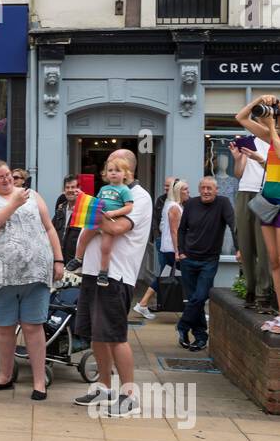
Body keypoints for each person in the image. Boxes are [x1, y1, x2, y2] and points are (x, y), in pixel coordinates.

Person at [72, 148, 153, 417]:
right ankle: (104, 388)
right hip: (92, 273)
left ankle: (129, 396)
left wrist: (90, 214)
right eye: (108, 166)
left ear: (129, 169)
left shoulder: (139, 198)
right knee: (96, 334)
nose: (110, 169)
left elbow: (116, 228)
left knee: (116, 336)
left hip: (116, 277)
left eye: (115, 165)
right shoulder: (106, 194)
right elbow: (91, 224)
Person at [0, 159, 64, 401]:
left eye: (8, 175)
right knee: (4, 328)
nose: (6, 180)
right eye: (0, 177)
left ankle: (38, 382)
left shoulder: (32, 195)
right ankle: (4, 376)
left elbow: (49, 228)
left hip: (35, 273)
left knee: (33, 327)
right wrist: (12, 205)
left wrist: (58, 259)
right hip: (1, 275)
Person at [175, 177, 239, 350]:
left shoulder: (223, 203)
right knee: (194, 300)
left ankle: (182, 326)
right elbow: (182, 229)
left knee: (200, 296)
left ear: (216, 190)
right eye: (203, 188)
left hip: (209, 260)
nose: (206, 191)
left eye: (209, 188)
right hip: (188, 259)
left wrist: (238, 248)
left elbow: (234, 225)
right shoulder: (191, 204)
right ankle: (201, 337)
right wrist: (181, 251)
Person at [67, 157, 134, 287]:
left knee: (105, 248)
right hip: (97, 219)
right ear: (105, 174)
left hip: (110, 223)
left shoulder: (125, 190)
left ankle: (103, 272)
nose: (113, 173)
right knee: (83, 238)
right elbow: (95, 202)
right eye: (110, 170)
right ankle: (78, 259)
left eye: (117, 170)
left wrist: (115, 213)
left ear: (125, 174)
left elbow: (129, 207)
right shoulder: (103, 188)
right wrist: (82, 195)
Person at [231, 129, 274, 314]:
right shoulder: (250, 141)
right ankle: (250, 290)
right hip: (245, 191)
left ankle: (263, 295)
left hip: (266, 193)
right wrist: (238, 158)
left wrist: (258, 158)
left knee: (263, 248)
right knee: (246, 245)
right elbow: (239, 173)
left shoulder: (275, 142)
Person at [133, 176, 185, 319]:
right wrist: (177, 251)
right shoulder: (173, 206)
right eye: (185, 189)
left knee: (164, 276)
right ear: (179, 191)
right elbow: (174, 230)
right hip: (171, 248)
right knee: (185, 277)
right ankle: (193, 310)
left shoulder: (171, 203)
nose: (188, 192)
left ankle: (143, 304)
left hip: (168, 246)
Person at [52, 175, 81, 266]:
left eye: (73, 187)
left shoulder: (85, 211)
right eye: (67, 187)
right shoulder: (60, 210)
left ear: (79, 189)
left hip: (76, 265)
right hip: (59, 261)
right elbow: (51, 231)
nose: (70, 190)